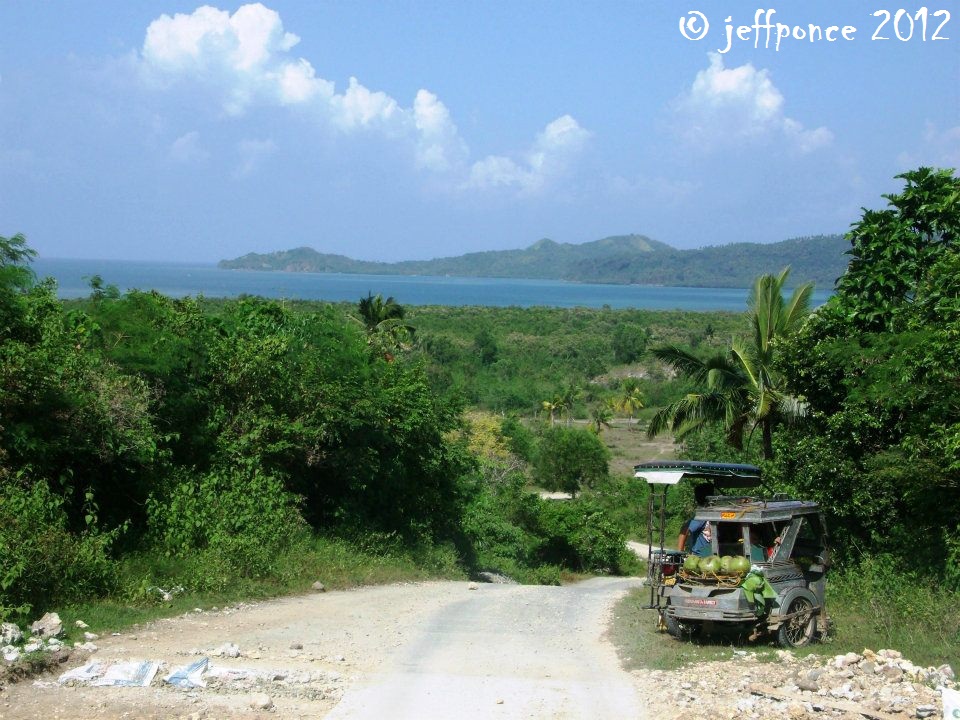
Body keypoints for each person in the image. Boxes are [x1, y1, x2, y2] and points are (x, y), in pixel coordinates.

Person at [677, 483, 715, 556]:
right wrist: (679, 554)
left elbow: (684, 529)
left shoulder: (705, 513)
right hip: (703, 555)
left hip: (705, 555)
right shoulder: (704, 514)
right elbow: (685, 530)